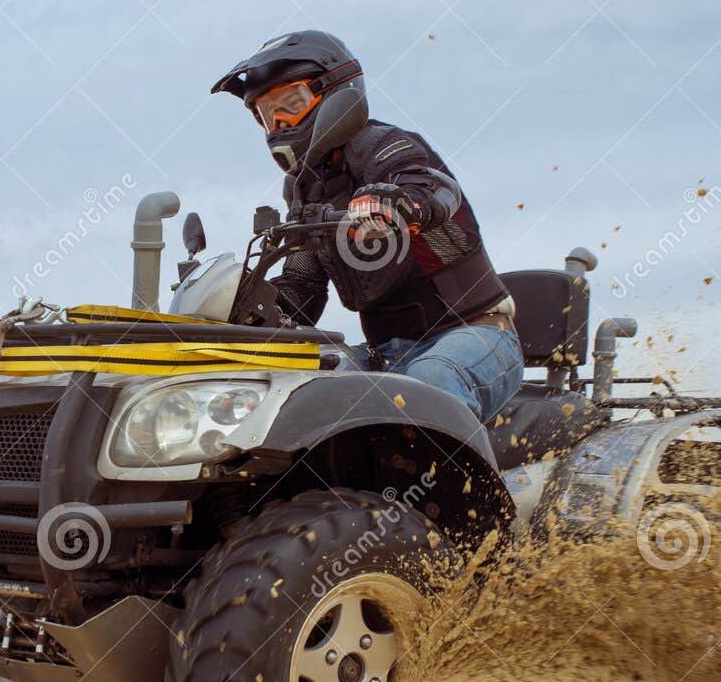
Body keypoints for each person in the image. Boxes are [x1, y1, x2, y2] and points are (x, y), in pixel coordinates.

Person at [211, 29, 524, 424]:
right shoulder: (303, 189)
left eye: (291, 104)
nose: (280, 123)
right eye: (267, 114)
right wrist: (246, 315)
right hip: (385, 353)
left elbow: (432, 187)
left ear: (337, 92)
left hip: (476, 334)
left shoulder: (385, 146)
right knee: (299, 386)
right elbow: (302, 286)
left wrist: (397, 203)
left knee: (430, 380)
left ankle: (449, 466)